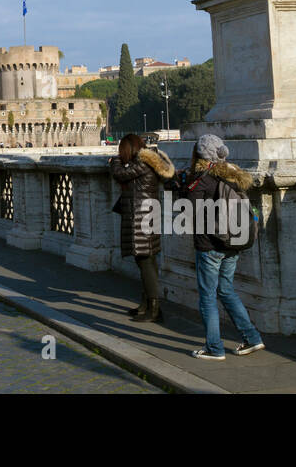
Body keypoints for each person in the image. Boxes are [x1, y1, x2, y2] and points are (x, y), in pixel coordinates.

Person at [185, 134, 265, 360]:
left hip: (209, 245)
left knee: (208, 297)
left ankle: (214, 348)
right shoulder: (233, 176)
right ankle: (252, 338)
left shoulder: (202, 180)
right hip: (233, 243)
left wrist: (184, 188)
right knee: (227, 290)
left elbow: (189, 212)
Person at [109, 133, 176, 322]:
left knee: (145, 262)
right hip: (146, 217)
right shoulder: (149, 162)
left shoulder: (142, 164)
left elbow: (119, 173)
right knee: (146, 261)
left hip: (141, 218)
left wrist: (114, 161)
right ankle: (146, 305)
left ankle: (154, 310)